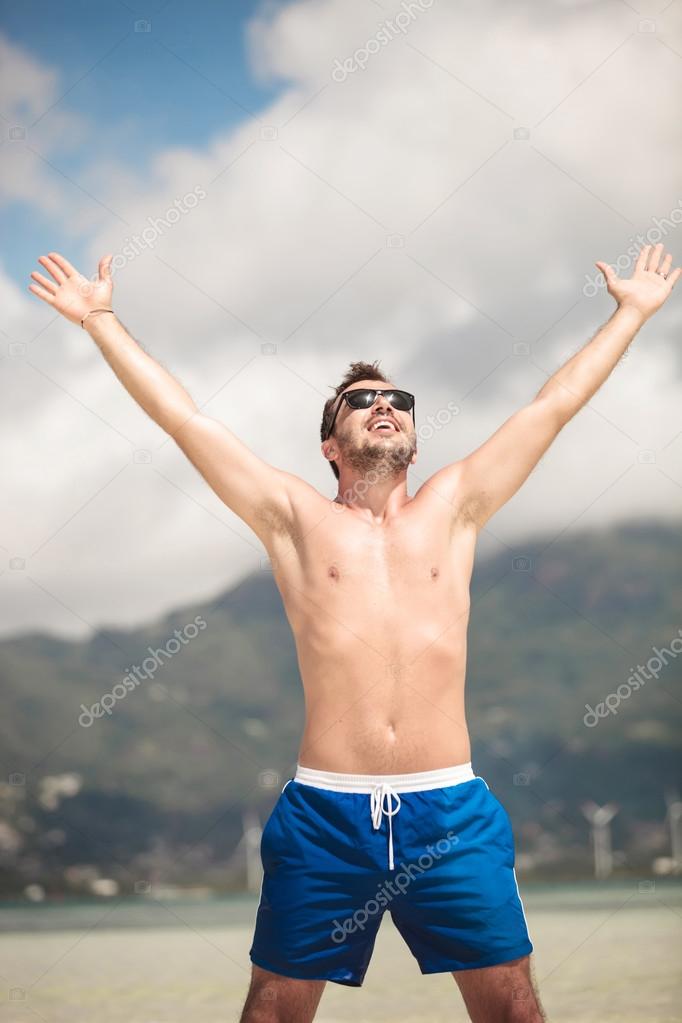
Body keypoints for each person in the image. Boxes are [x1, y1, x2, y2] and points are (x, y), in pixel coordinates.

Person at [29, 244, 679, 1022]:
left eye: (398, 397)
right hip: (325, 815)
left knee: (513, 1007)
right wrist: (100, 320)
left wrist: (632, 311)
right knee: (271, 1010)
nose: (385, 403)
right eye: (361, 398)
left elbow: (553, 406)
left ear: (412, 432)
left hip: (451, 812)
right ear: (331, 444)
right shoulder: (293, 518)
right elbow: (183, 418)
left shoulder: (457, 507)